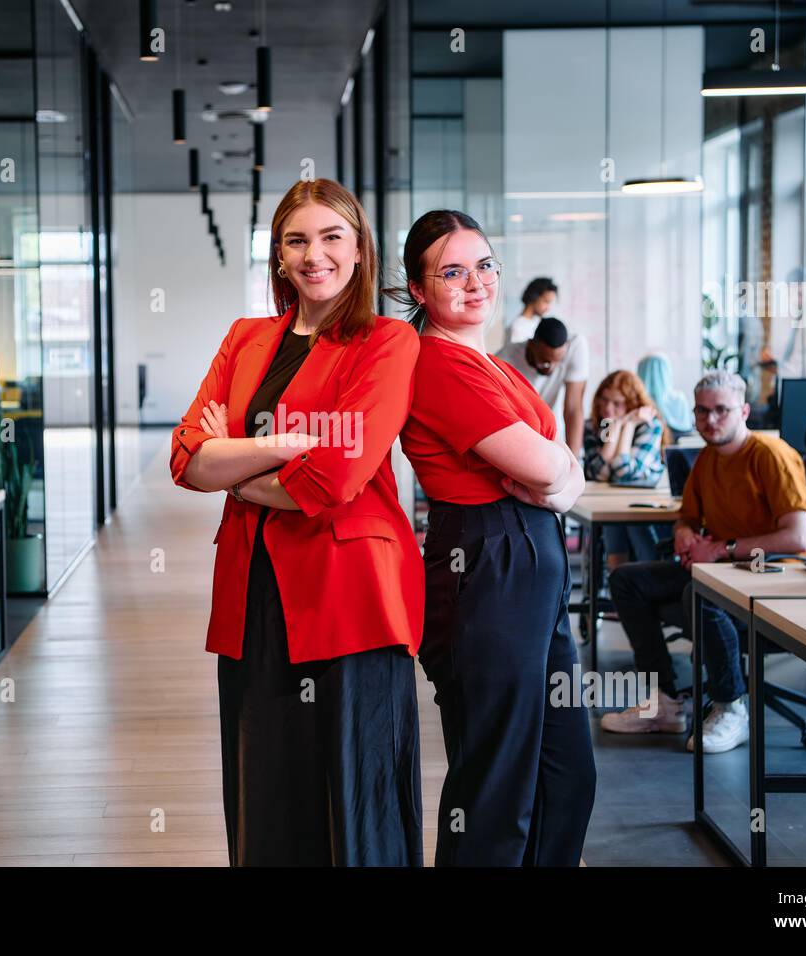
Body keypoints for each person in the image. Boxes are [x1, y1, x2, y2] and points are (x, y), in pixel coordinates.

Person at [170, 178, 424, 866]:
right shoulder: (246, 337)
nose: (315, 255)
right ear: (278, 258)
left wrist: (234, 461)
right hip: (254, 590)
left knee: (355, 793)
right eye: (296, 240)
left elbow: (337, 478)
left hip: (350, 593)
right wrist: (278, 448)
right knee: (267, 784)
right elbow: (186, 458)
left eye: (332, 236)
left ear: (360, 248)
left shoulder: (386, 341)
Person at [394, 210, 595, 866]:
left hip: (534, 561)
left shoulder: (500, 368)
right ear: (420, 290)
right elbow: (548, 467)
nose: (475, 281)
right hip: (487, 564)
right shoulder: (434, 365)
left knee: (567, 776)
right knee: (497, 785)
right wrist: (557, 477)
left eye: (483, 265)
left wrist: (559, 480)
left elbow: (569, 473)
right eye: (452, 271)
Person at [600, 370, 806, 754]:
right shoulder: (706, 459)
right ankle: (667, 703)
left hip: (783, 576)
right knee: (625, 580)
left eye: (721, 410)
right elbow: (687, 516)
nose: (710, 420)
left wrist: (720, 549)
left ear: (745, 411)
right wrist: (686, 534)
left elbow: (798, 538)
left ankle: (730, 707)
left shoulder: (771, 455)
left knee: (699, 591)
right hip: (728, 570)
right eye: (702, 412)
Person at [582, 370, 667, 567]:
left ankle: (641, 579)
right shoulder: (594, 426)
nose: (607, 409)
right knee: (614, 519)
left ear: (631, 404)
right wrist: (617, 427)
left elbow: (624, 472)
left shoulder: (649, 426)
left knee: (628, 521)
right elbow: (597, 474)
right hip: (613, 503)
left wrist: (628, 427)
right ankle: (619, 582)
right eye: (603, 400)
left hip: (646, 504)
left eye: (617, 403)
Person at [495, 316, 589, 456]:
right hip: (520, 437)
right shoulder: (505, 360)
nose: (551, 368)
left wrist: (574, 460)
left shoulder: (575, 345)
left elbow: (573, 408)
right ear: (531, 345)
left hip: (554, 436)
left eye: (558, 362)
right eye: (545, 362)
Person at [636, 353, 694, 439]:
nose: (609, 406)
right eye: (607, 400)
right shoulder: (679, 398)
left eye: (616, 403)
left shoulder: (637, 402)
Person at [507, 276, 558, 344]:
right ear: (534, 297)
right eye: (546, 302)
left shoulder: (538, 322)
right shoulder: (518, 328)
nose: (548, 308)